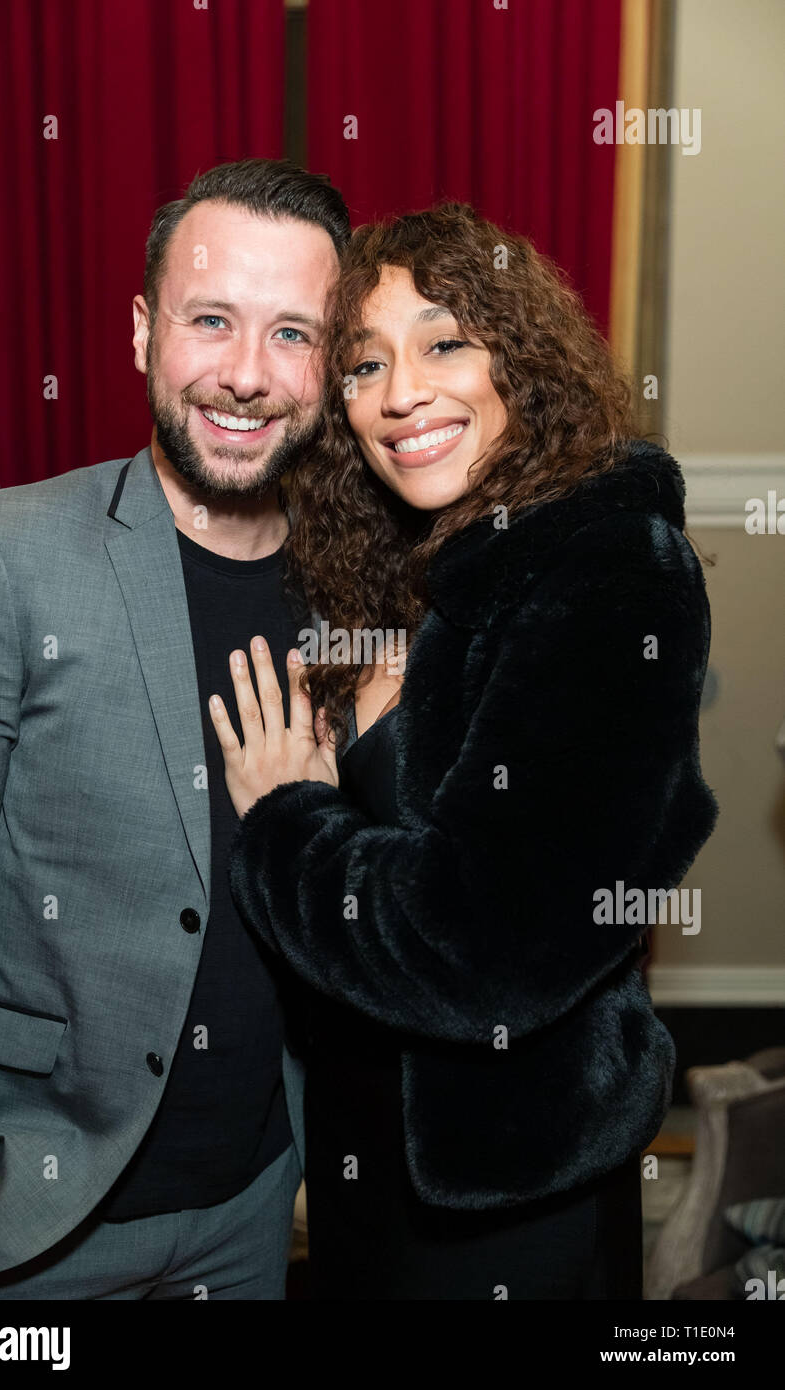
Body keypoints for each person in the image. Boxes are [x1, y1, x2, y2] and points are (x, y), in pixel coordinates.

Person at [207, 203, 719, 1300]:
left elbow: (482, 948)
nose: (400, 393)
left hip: (509, 1194)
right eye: (361, 364)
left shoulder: (606, 564)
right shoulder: (405, 567)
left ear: (518, 361)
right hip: (367, 1174)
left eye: (443, 342)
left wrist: (286, 817)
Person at [0, 158, 349, 1299]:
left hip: (259, 1207)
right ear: (140, 330)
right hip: (26, 1226)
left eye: (292, 334)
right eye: (212, 320)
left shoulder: (358, 591)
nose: (247, 376)